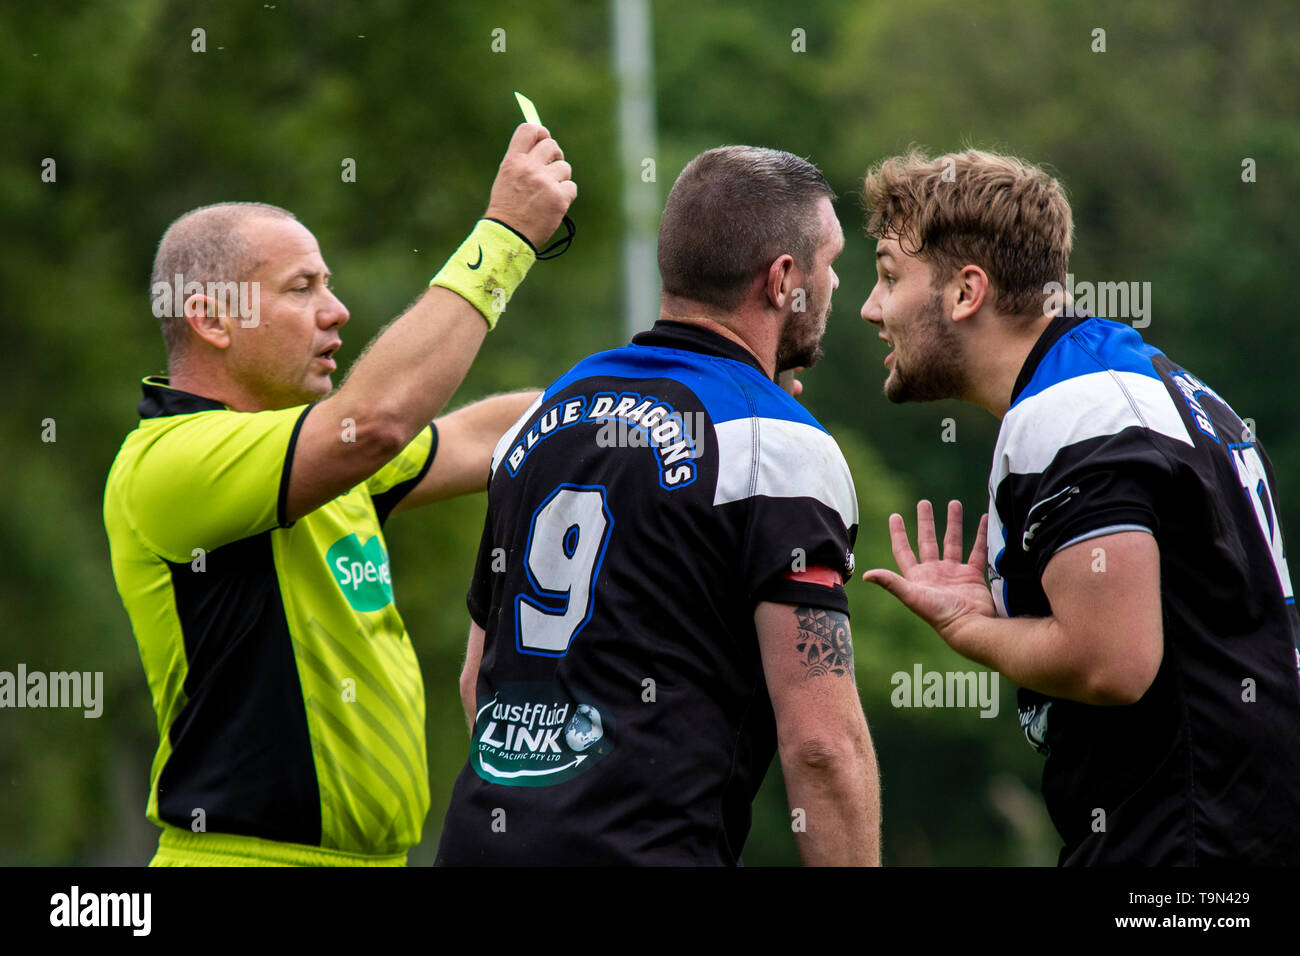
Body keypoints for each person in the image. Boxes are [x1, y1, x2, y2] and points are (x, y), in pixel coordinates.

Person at [103, 123, 576, 866]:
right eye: (301, 289)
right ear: (210, 319)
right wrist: (506, 238)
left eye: (326, 283)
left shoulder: (316, 452)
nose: (337, 311)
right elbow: (380, 419)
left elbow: (482, 438)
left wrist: (673, 391)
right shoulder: (172, 460)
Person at [435, 146, 880, 866]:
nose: (836, 283)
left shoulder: (542, 417)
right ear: (782, 280)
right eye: (829, 262)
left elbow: (475, 678)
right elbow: (822, 747)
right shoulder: (777, 443)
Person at [857, 148, 1300, 865]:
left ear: (966, 291)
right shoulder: (1137, 379)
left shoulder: (1077, 410)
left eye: (887, 277)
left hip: (1184, 854)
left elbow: (1113, 663)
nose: (872, 308)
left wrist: (973, 631)